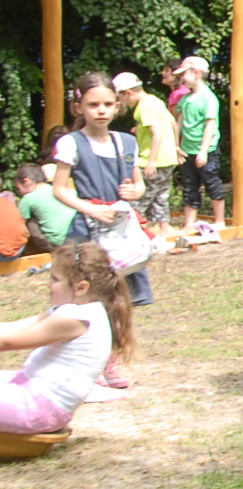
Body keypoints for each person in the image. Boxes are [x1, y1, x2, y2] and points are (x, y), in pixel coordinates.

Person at [0, 243, 132, 434]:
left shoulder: (75, 319)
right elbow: (15, 327)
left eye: (55, 279)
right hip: (32, 394)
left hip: (37, 409)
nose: (49, 284)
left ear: (80, 287)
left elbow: (7, 341)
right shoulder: (78, 310)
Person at [51, 72, 152, 311]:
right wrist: (92, 209)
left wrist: (134, 191)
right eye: (93, 105)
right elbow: (59, 189)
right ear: (79, 107)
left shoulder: (127, 142)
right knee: (82, 294)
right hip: (87, 228)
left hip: (120, 228)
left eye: (107, 104)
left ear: (117, 107)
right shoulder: (70, 143)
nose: (101, 111)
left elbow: (140, 185)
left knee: (120, 299)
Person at [113, 72, 181, 234]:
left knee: (140, 197)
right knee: (161, 195)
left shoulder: (143, 107)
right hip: (168, 158)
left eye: (121, 98)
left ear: (128, 93)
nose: (122, 102)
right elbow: (173, 124)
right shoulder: (155, 101)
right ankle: (164, 227)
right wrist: (176, 147)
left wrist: (151, 161)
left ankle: (132, 230)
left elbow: (157, 133)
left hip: (153, 160)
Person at [174, 56, 227, 232]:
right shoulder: (185, 99)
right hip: (188, 150)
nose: (181, 78)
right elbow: (179, 122)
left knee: (212, 182)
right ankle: (189, 223)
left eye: (184, 74)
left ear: (196, 73)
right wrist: (176, 145)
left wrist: (203, 151)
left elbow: (210, 125)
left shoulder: (208, 99)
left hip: (207, 151)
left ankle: (220, 221)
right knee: (190, 185)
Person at [14, 164, 73, 254]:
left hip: (56, 242)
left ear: (27, 182)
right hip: (73, 234)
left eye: (19, 189)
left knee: (29, 219)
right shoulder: (56, 190)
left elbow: (20, 227)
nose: (20, 193)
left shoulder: (28, 198)